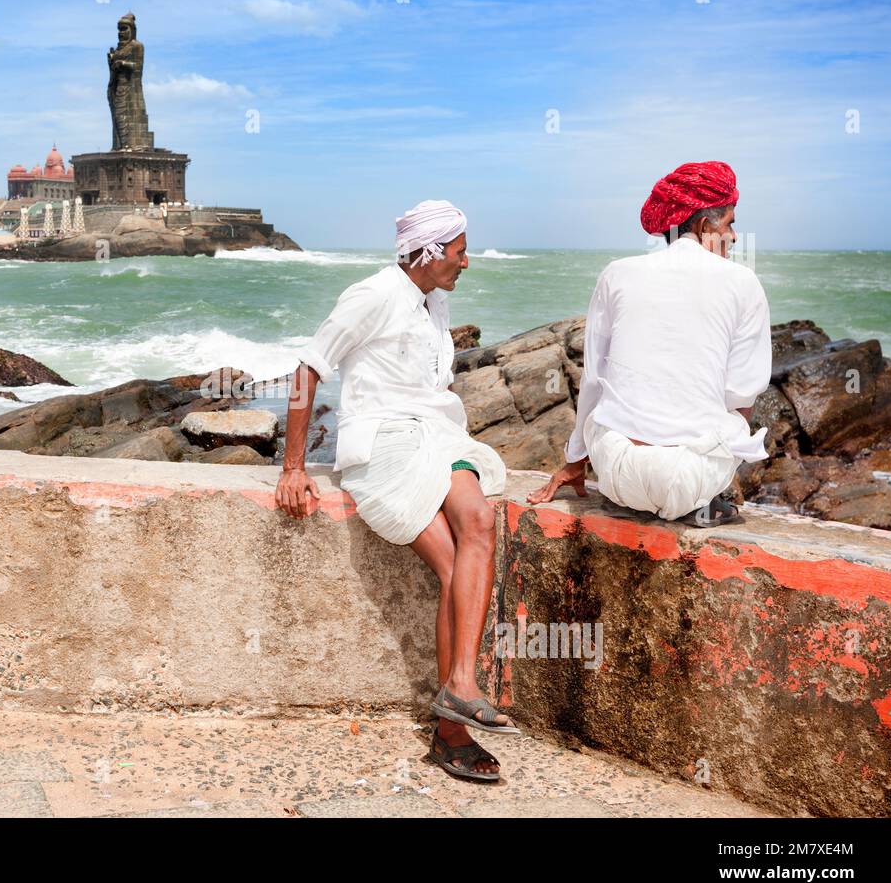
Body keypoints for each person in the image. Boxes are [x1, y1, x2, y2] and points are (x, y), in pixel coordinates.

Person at [275, 200, 513, 782]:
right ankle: (452, 727)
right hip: (382, 447)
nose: (465, 261)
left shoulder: (436, 302)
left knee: (477, 525)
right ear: (430, 252)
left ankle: (457, 692)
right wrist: (292, 466)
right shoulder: (374, 295)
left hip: (434, 435)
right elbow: (308, 369)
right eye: (458, 251)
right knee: (457, 559)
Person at [528, 161, 772, 525]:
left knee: (606, 402)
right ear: (705, 226)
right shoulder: (743, 282)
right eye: (730, 223)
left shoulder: (616, 273)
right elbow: (741, 394)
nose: (735, 236)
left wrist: (574, 461)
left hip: (616, 472)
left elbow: (594, 379)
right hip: (691, 480)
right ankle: (703, 502)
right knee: (737, 414)